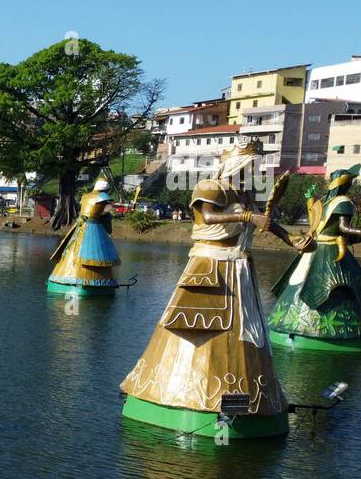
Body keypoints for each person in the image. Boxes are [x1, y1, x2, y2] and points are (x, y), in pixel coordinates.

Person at [120, 140, 305, 438]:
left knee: (246, 332)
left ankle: (256, 402)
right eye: (251, 166)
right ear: (236, 167)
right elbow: (208, 216)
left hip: (240, 272)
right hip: (210, 268)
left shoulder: (246, 195)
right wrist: (246, 216)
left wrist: (292, 240)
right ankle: (177, 398)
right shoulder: (210, 187)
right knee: (197, 327)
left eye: (257, 167)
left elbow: (266, 223)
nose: (255, 172)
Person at [267, 165, 361, 351]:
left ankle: (288, 326)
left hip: (315, 250)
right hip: (331, 253)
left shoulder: (326, 202)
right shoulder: (343, 202)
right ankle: (350, 333)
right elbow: (344, 229)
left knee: (302, 283)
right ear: (345, 185)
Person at [46, 177, 120, 296]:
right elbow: (113, 204)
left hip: (80, 225)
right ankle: (93, 285)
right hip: (93, 225)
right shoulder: (102, 197)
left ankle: (61, 280)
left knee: (72, 249)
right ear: (105, 188)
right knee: (94, 254)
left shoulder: (85, 196)